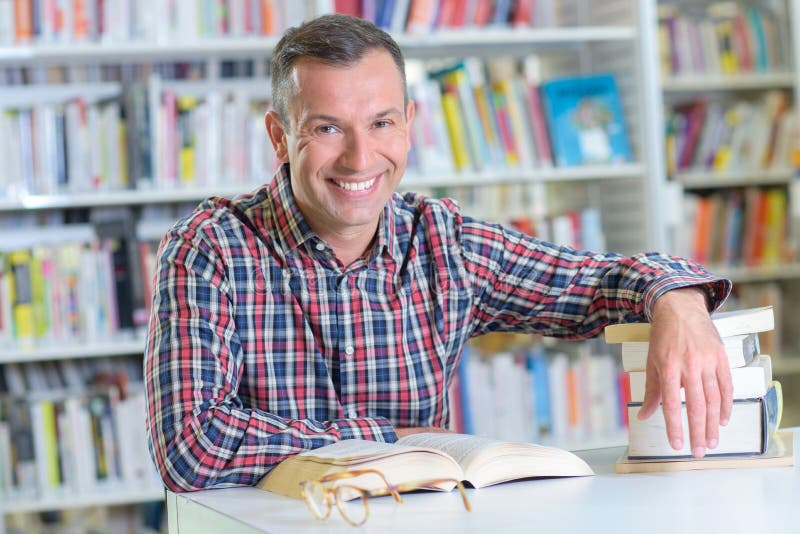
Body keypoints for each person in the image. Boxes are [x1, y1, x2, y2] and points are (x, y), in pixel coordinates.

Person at [144, 14, 732, 492]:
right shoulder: (208, 249)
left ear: (410, 123)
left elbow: (596, 282)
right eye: (327, 128)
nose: (359, 157)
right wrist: (390, 439)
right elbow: (191, 447)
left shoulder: (444, 244)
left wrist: (676, 300)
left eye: (381, 123)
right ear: (279, 135)